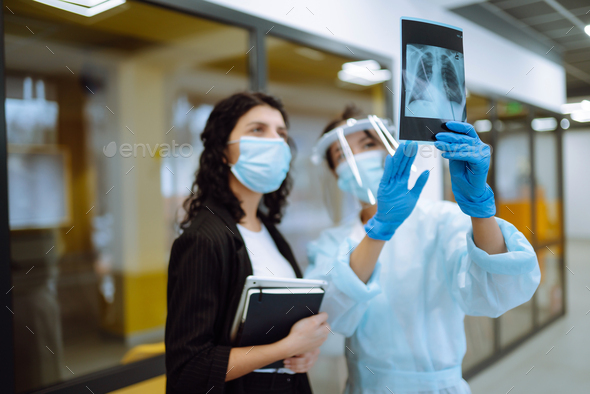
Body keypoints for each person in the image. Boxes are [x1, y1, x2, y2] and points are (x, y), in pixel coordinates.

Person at [305, 105, 540, 394]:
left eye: (368, 144)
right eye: (342, 154)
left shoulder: (440, 219)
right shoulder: (331, 242)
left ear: (389, 150)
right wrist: (381, 229)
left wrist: (480, 210)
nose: (357, 159)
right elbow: (329, 316)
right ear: (335, 172)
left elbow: (497, 288)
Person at [165, 92, 329, 394]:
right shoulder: (203, 239)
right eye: (257, 130)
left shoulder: (270, 232)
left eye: (281, 133)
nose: (275, 141)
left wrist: (300, 352)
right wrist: (286, 346)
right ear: (223, 151)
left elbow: (279, 335)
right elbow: (189, 369)